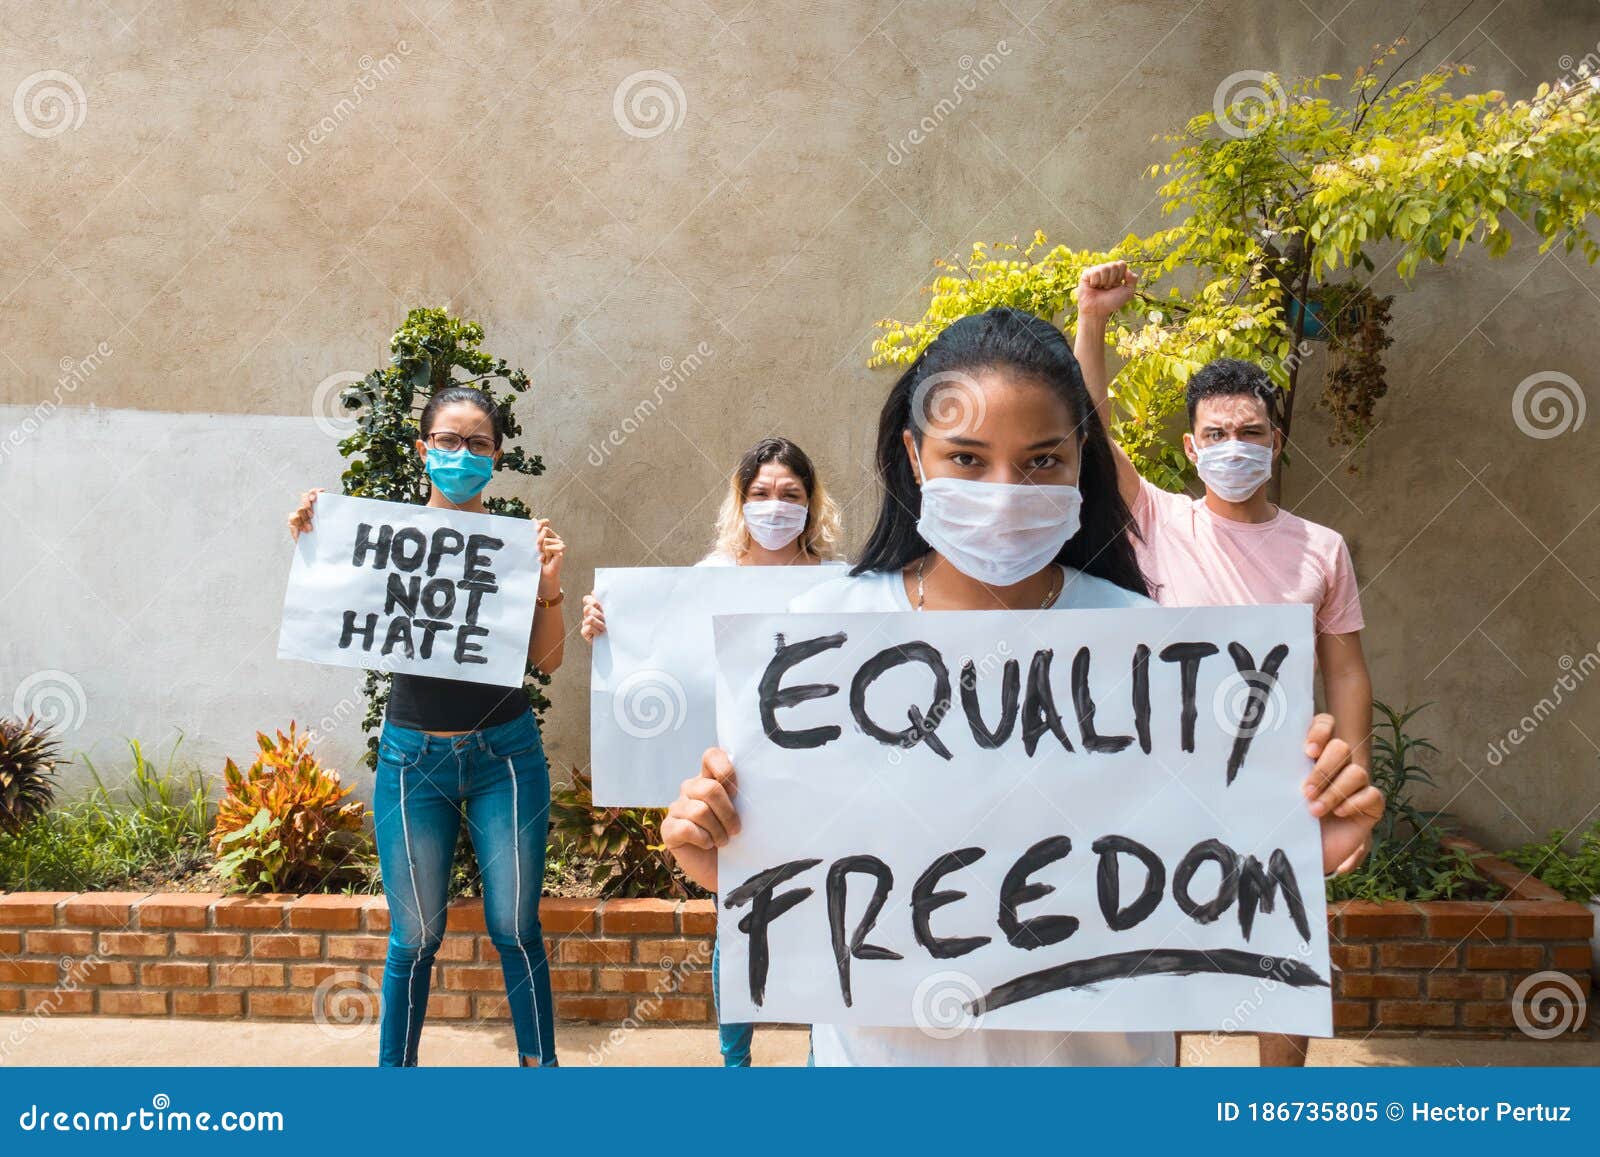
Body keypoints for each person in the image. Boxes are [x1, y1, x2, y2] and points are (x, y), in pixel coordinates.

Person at [659, 307, 1384, 1066]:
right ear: (914, 454)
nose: (1005, 490)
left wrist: (1296, 838)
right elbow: (808, 881)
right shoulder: (815, 646)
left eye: (1041, 461)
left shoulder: (1155, 652)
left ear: (1081, 457)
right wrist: (728, 860)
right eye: (967, 459)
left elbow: (1209, 873)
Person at [1073, 260, 1376, 1068]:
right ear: (1190, 445)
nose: (1233, 447)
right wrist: (1093, 320)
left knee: (1279, 959)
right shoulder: (1159, 517)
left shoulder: (1322, 547)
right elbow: (1091, 427)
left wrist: (1352, 779)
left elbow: (1345, 670)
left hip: (1278, 783)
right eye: (1216, 434)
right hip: (1164, 777)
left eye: (1249, 433)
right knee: (1166, 957)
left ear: (1275, 442)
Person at [287, 386, 568, 1067]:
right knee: (413, 935)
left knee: (515, 926)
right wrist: (312, 536)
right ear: (423, 449)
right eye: (448, 440)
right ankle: (397, 1083)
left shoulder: (517, 545)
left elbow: (549, 660)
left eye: (477, 443)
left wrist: (550, 583)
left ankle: (542, 1074)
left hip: (505, 754)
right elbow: (330, 604)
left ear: (497, 456)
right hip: (413, 759)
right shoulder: (381, 539)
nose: (461, 453)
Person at [580, 435, 842, 1066]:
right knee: (740, 913)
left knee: (826, 917)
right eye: (761, 494)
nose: (775, 506)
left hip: (821, 780)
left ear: (812, 505)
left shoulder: (841, 584)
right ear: (740, 500)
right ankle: (735, 1062)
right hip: (734, 779)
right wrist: (608, 630)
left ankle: (822, 1060)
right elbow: (663, 664)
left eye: (790, 494)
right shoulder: (705, 581)